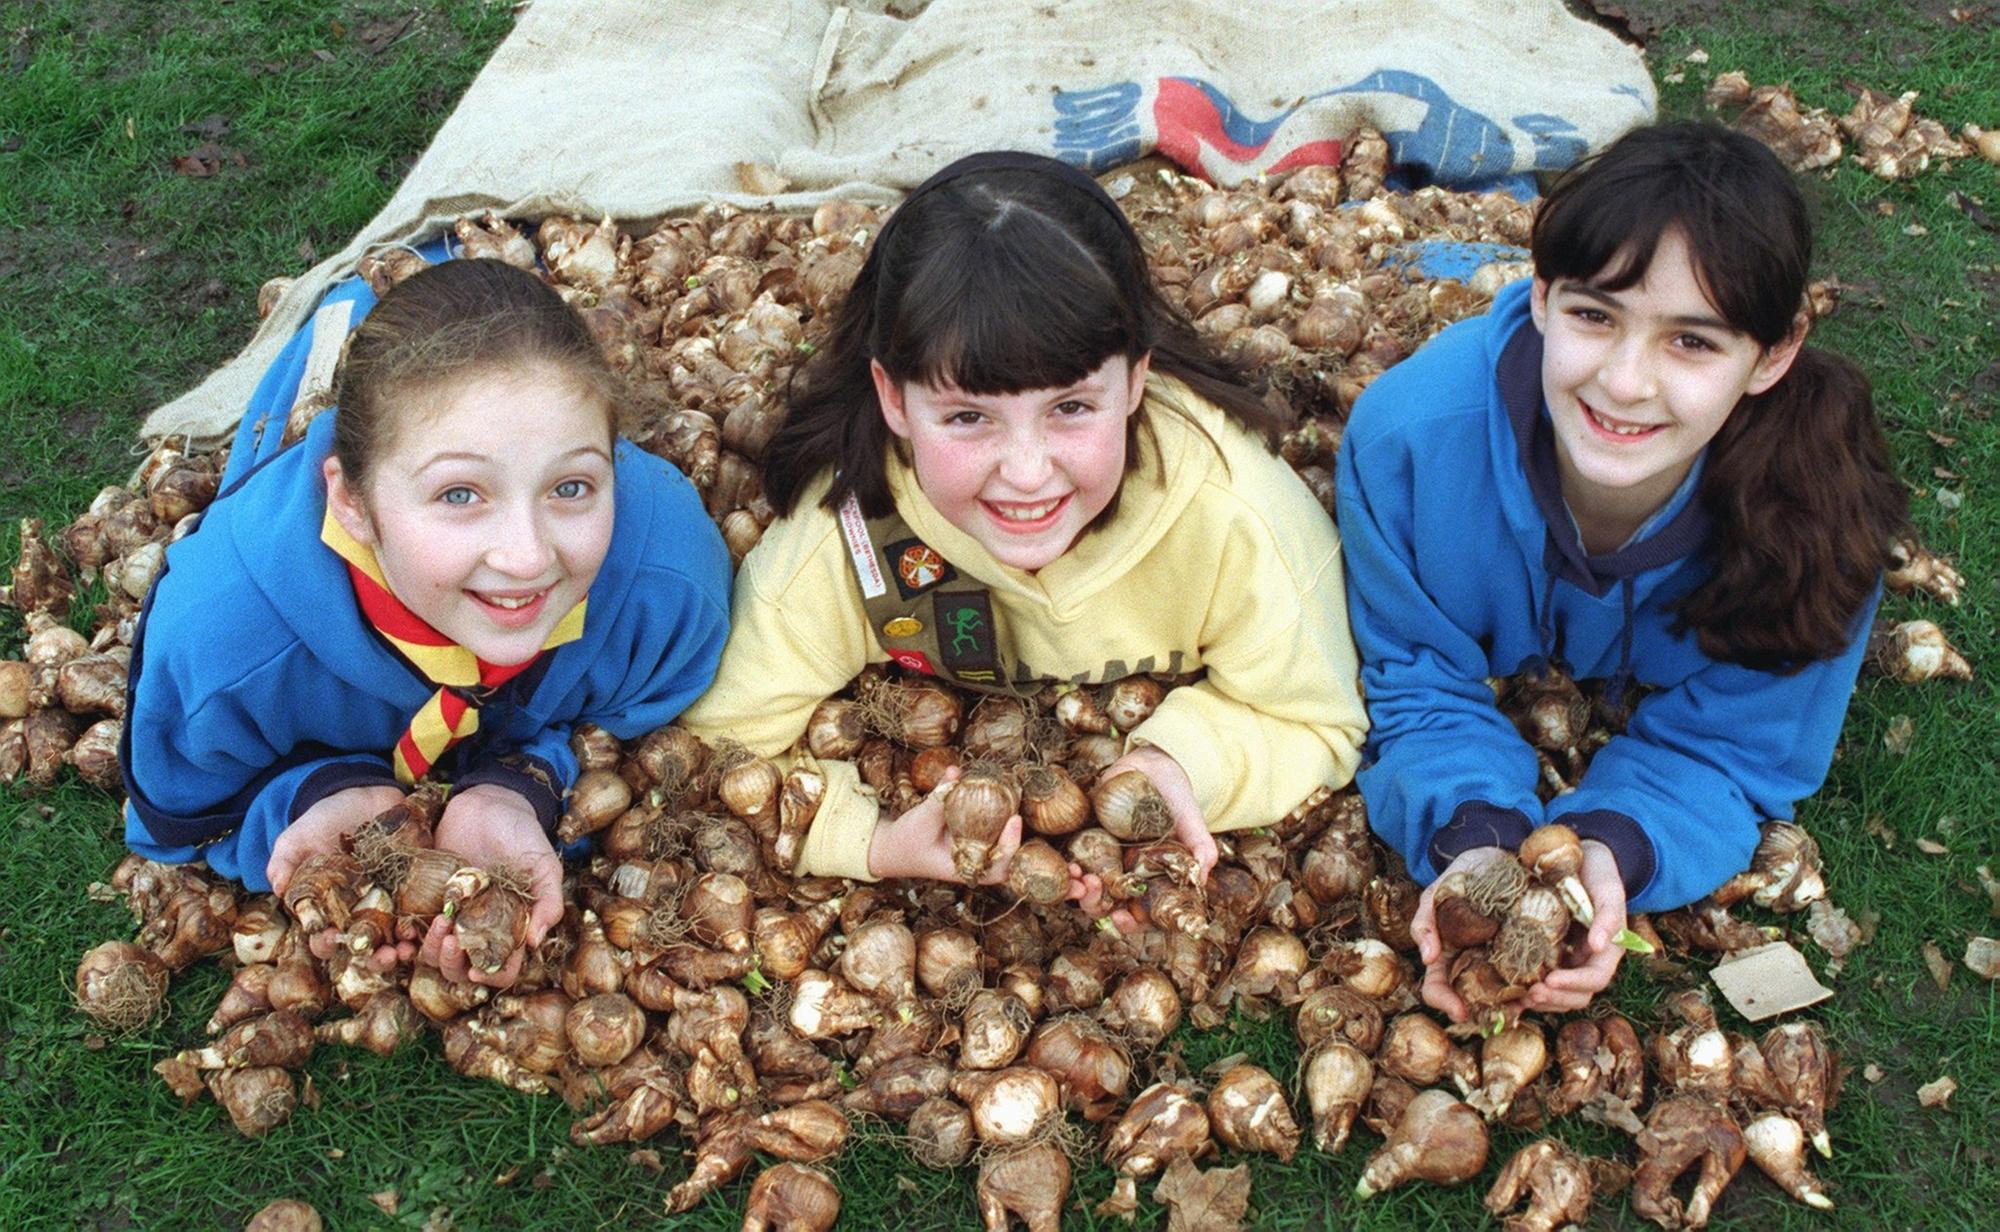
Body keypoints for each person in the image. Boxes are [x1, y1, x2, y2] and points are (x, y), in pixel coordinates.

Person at [680, 150, 1367, 904]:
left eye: (1070, 407)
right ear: (894, 398)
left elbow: (1316, 719)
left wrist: (1185, 763)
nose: (1028, 473)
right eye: (970, 417)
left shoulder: (1237, 517)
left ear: (1136, 378)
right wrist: (869, 839)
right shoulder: (843, 539)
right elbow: (717, 747)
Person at [1335, 120, 1908, 1019]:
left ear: (1777, 351)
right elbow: (1415, 678)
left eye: (1694, 342)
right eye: (1595, 316)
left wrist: (1610, 850)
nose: (1627, 382)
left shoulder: (1819, 521)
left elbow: (1734, 749)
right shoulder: (1405, 442)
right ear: (1539, 298)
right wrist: (1477, 843)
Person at [122, 257, 732, 985]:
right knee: (329, 346)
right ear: (350, 503)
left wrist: (521, 783)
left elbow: (644, 736)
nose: (526, 557)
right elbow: (181, 811)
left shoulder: (667, 588)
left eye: (571, 486)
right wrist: (313, 794)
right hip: (279, 510)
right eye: (459, 495)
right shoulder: (222, 644)